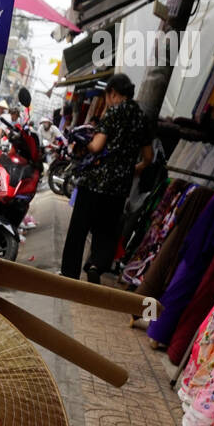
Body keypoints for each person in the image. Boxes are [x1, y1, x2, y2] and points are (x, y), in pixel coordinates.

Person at [60, 73, 153, 283]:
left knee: (79, 228)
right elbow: (148, 158)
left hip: (95, 181)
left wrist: (83, 142)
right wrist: (130, 170)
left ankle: (69, 274)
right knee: (106, 231)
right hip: (119, 188)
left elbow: (97, 146)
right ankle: (96, 265)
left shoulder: (113, 113)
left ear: (113, 93)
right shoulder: (142, 119)